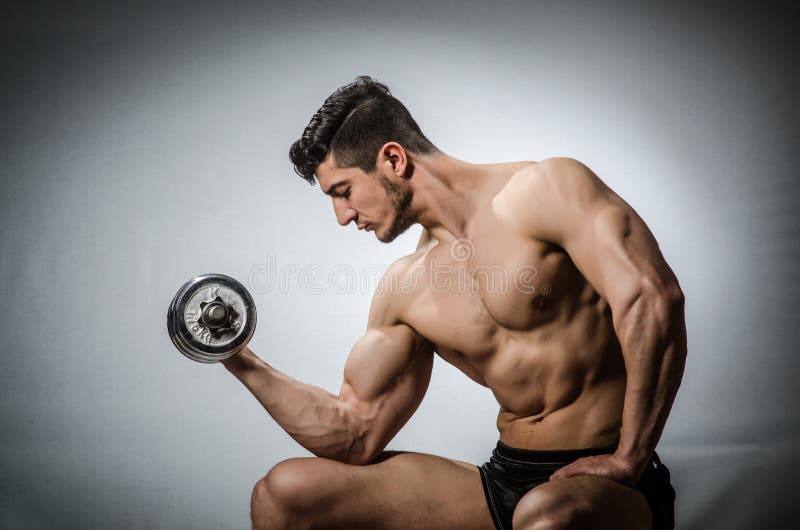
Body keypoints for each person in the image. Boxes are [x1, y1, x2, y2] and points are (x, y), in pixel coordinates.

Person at [222, 76, 686, 530]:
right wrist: (235, 355)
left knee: (546, 518)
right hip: (506, 478)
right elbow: (354, 433)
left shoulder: (545, 190)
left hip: (612, 485)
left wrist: (630, 457)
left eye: (342, 192)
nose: (342, 216)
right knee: (284, 492)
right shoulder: (406, 286)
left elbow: (651, 299)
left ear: (393, 159)